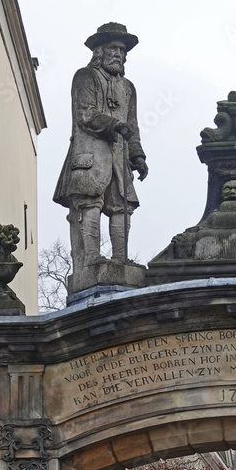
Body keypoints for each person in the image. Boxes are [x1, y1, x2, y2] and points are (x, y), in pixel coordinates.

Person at [54, 23, 148, 280]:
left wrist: (137, 155)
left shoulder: (128, 88)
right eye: (113, 48)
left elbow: (133, 125)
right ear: (99, 51)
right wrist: (113, 125)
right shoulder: (85, 77)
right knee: (89, 203)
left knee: (122, 206)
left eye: (122, 50)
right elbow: (85, 114)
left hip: (119, 158)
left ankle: (121, 258)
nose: (119, 54)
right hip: (90, 156)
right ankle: (91, 258)